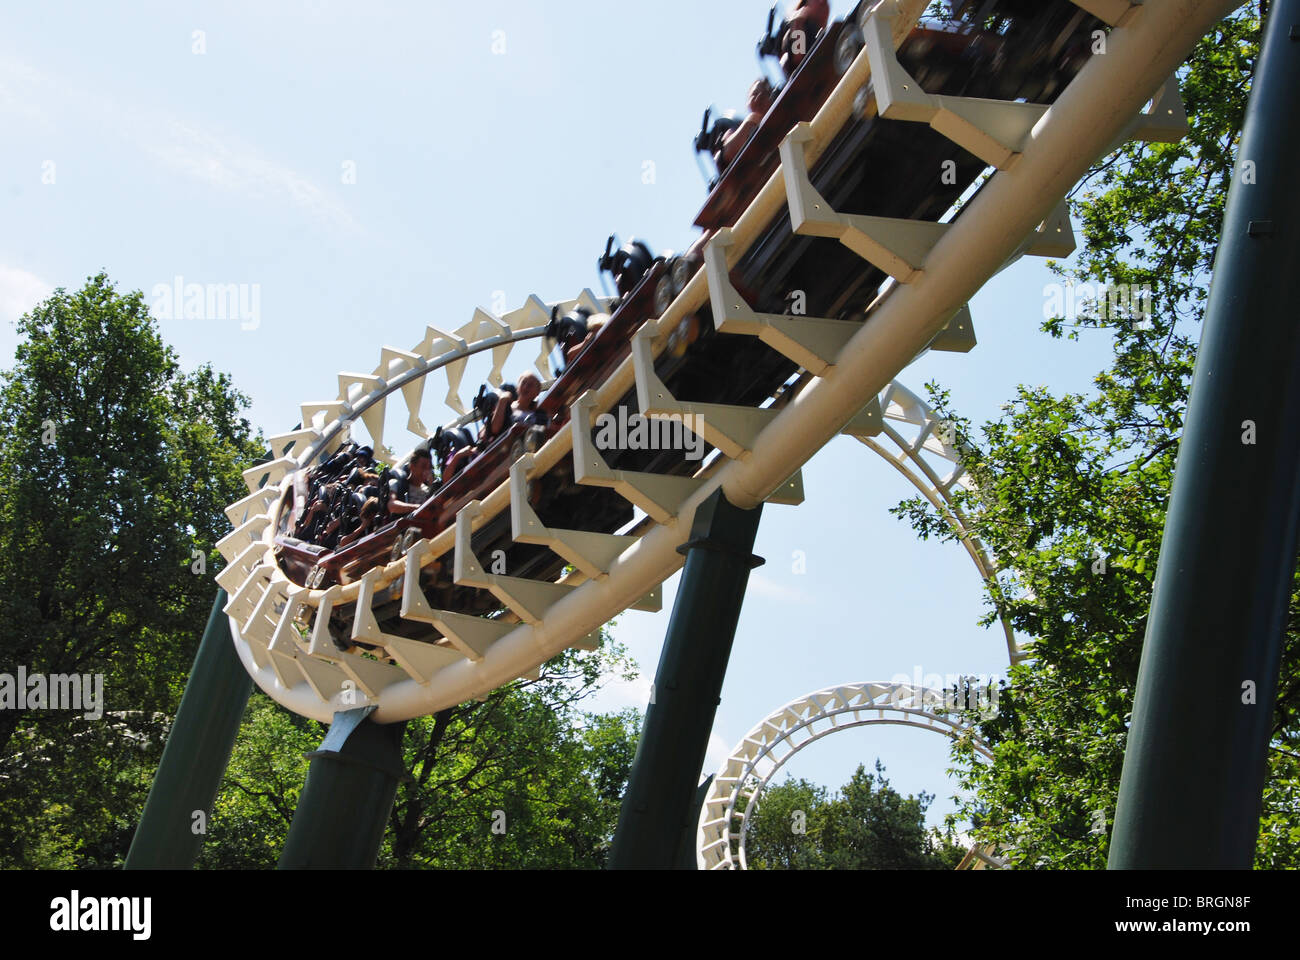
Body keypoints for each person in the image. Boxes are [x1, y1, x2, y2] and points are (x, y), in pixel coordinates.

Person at [717, 77, 776, 169]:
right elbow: (727, 154)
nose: (759, 97)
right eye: (754, 94)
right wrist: (749, 122)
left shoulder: (780, 115)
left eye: (765, 94)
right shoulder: (736, 130)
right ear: (747, 103)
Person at [386, 447, 437, 516]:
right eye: (423, 467)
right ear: (412, 466)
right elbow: (392, 505)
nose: (426, 471)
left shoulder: (427, 490)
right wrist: (416, 507)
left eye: (429, 468)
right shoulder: (397, 484)